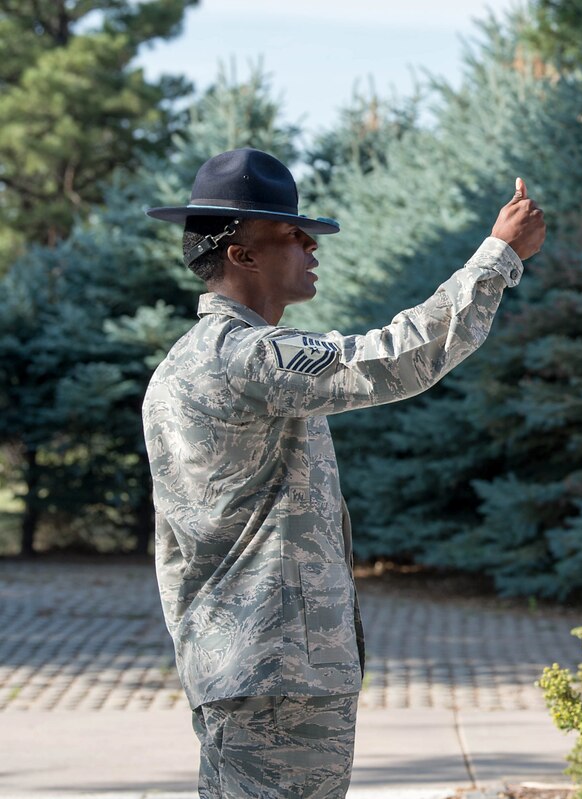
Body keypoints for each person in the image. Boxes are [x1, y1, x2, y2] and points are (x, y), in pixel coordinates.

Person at [141, 147, 545, 798]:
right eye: (292, 235)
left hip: (252, 669)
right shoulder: (246, 357)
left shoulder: (190, 363)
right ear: (241, 254)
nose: (311, 245)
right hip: (277, 675)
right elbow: (396, 357)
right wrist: (498, 256)